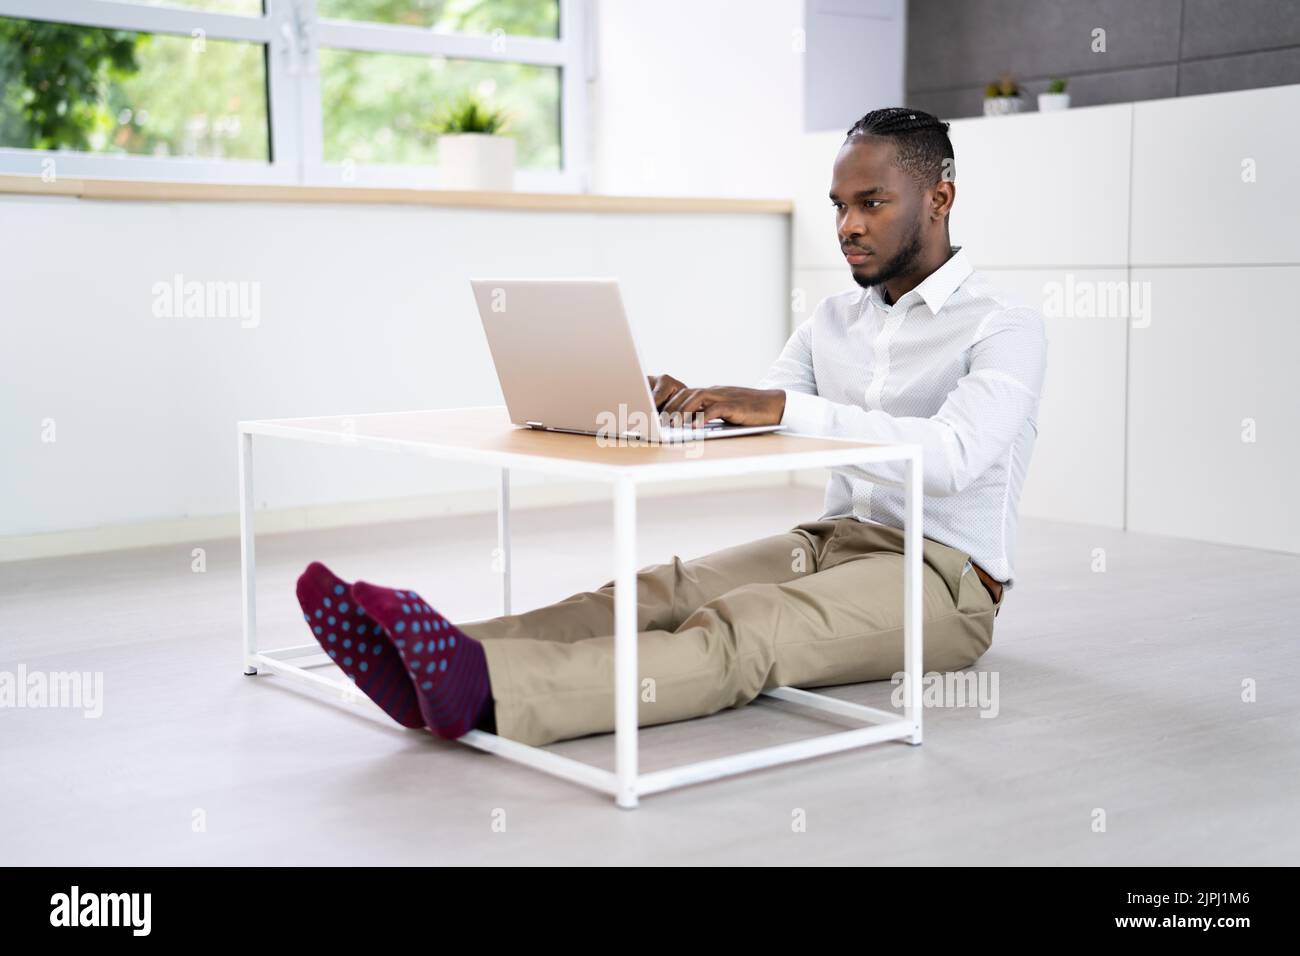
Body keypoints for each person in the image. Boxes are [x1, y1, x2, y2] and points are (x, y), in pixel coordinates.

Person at [295, 107, 1047, 748]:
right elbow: (767, 413)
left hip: (945, 581)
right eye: (839, 206)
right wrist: (682, 407)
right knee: (662, 588)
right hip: (830, 541)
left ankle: (486, 689)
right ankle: (438, 653)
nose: (848, 226)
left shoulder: (1005, 325)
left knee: (745, 625)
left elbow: (952, 458)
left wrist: (780, 408)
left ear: (940, 198)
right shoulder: (834, 319)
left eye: (872, 203)